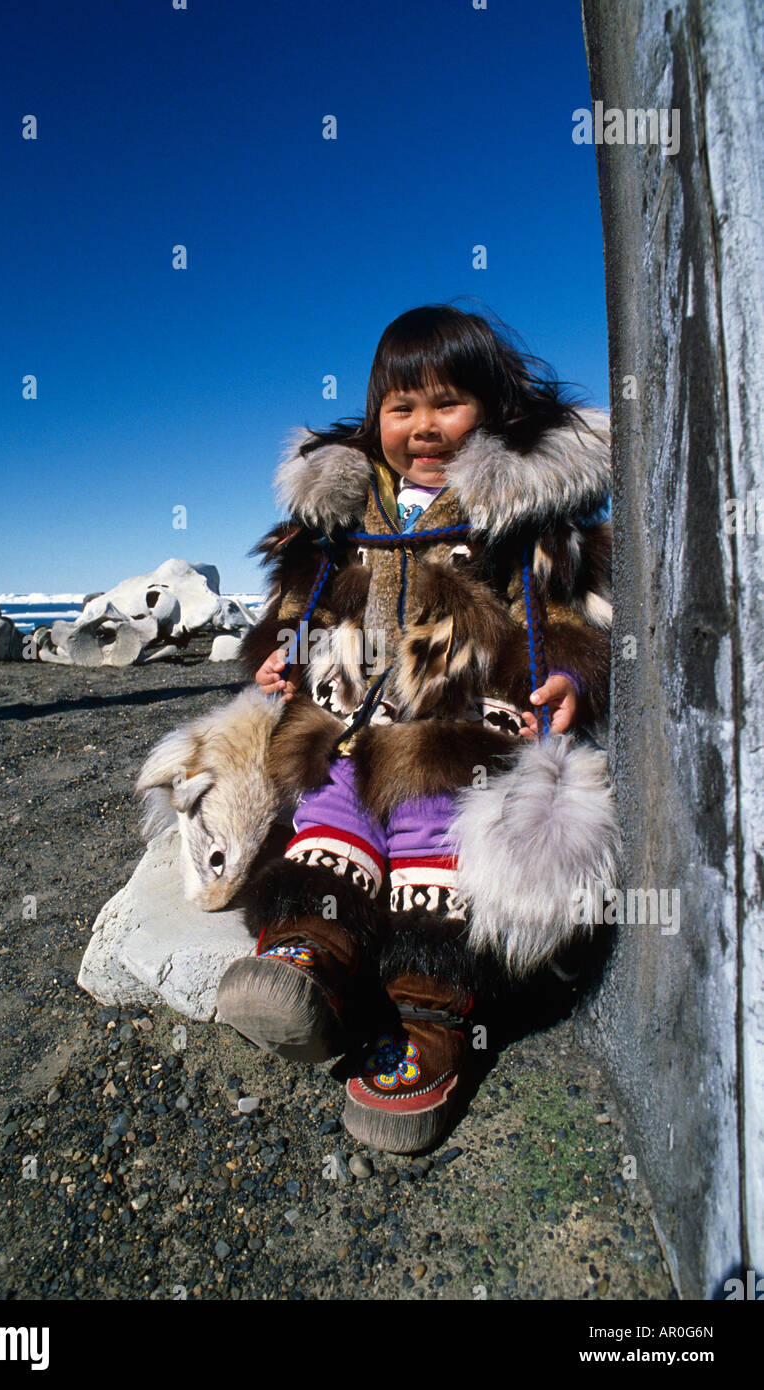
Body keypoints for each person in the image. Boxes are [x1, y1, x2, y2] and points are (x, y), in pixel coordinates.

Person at [215, 303, 615, 1154]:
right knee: (329, 814)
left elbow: (565, 615)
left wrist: (567, 676)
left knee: (435, 830)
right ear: (375, 418)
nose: (423, 427)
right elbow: (297, 606)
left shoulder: (520, 510)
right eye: (402, 408)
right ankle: (309, 953)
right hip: (348, 709)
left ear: (494, 408)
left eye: (447, 403)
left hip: (459, 718)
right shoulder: (345, 509)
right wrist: (277, 656)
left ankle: (433, 1005)